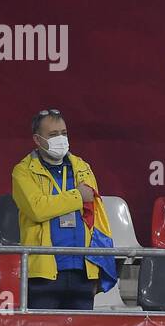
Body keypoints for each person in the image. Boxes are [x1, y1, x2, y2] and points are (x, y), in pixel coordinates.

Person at [11, 109, 108, 310]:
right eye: (53, 135)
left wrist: (100, 266)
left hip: (83, 270)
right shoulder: (23, 171)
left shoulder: (82, 167)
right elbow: (37, 208)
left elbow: (94, 211)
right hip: (43, 275)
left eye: (63, 133)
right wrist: (77, 196)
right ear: (37, 140)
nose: (61, 139)